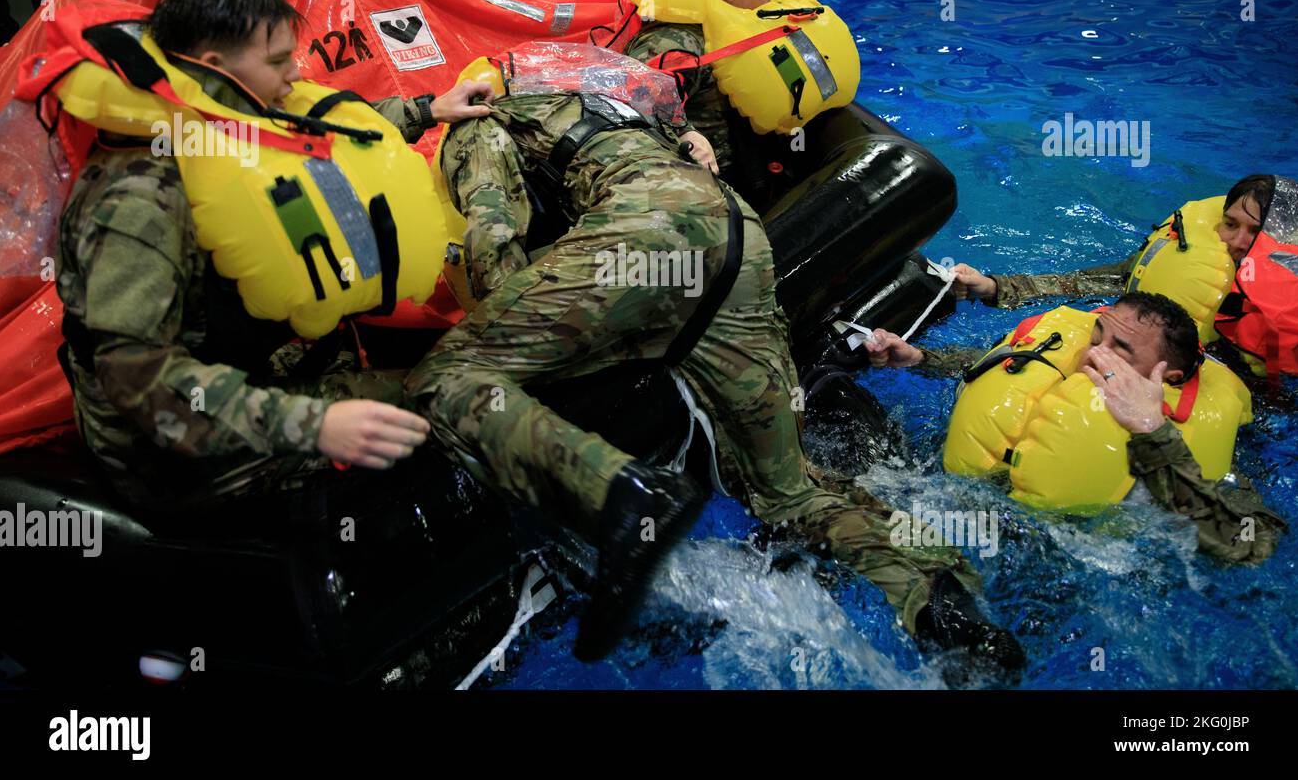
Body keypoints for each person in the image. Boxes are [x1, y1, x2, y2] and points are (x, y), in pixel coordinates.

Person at [404, 89, 1025, 679]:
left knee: (445, 375)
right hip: (739, 239)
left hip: (648, 236)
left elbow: (492, 234)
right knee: (789, 490)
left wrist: (523, 325)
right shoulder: (624, 109)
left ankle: (623, 493)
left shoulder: (480, 123)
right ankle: (948, 605)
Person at [44, 0, 491, 514]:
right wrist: (318, 425)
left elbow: (326, 133)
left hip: (247, 365)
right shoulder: (139, 202)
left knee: (450, 379)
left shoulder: (215, 115)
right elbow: (139, 382)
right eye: (279, 62)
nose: (295, 73)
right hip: (182, 451)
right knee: (453, 403)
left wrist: (428, 109)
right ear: (213, 67)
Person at [862, 291, 1286, 563]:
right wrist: (919, 359)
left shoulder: (1197, 439)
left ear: (1166, 379)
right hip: (943, 494)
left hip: (1058, 559)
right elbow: (1009, 367)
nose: (1091, 356)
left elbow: (1250, 546)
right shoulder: (1074, 355)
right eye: (1097, 337)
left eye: (1120, 350)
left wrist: (1151, 430)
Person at [950, 174, 1298, 378]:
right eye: (1230, 223)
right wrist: (993, 287)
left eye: (1254, 232)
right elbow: (1088, 283)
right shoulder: (1185, 263)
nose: (1236, 242)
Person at [619, 0, 778, 196]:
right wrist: (685, 133)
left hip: (747, 156)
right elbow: (633, 98)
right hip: (713, 182)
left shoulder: (730, 22)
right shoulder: (676, 43)